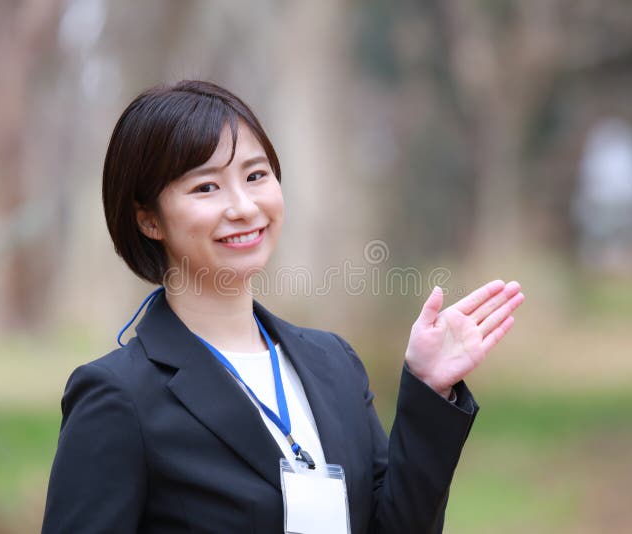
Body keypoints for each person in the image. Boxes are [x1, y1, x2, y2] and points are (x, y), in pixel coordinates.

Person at [41, 80, 524, 534]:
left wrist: (428, 390)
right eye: (206, 187)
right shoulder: (118, 397)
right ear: (149, 220)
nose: (244, 207)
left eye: (255, 176)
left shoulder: (334, 364)